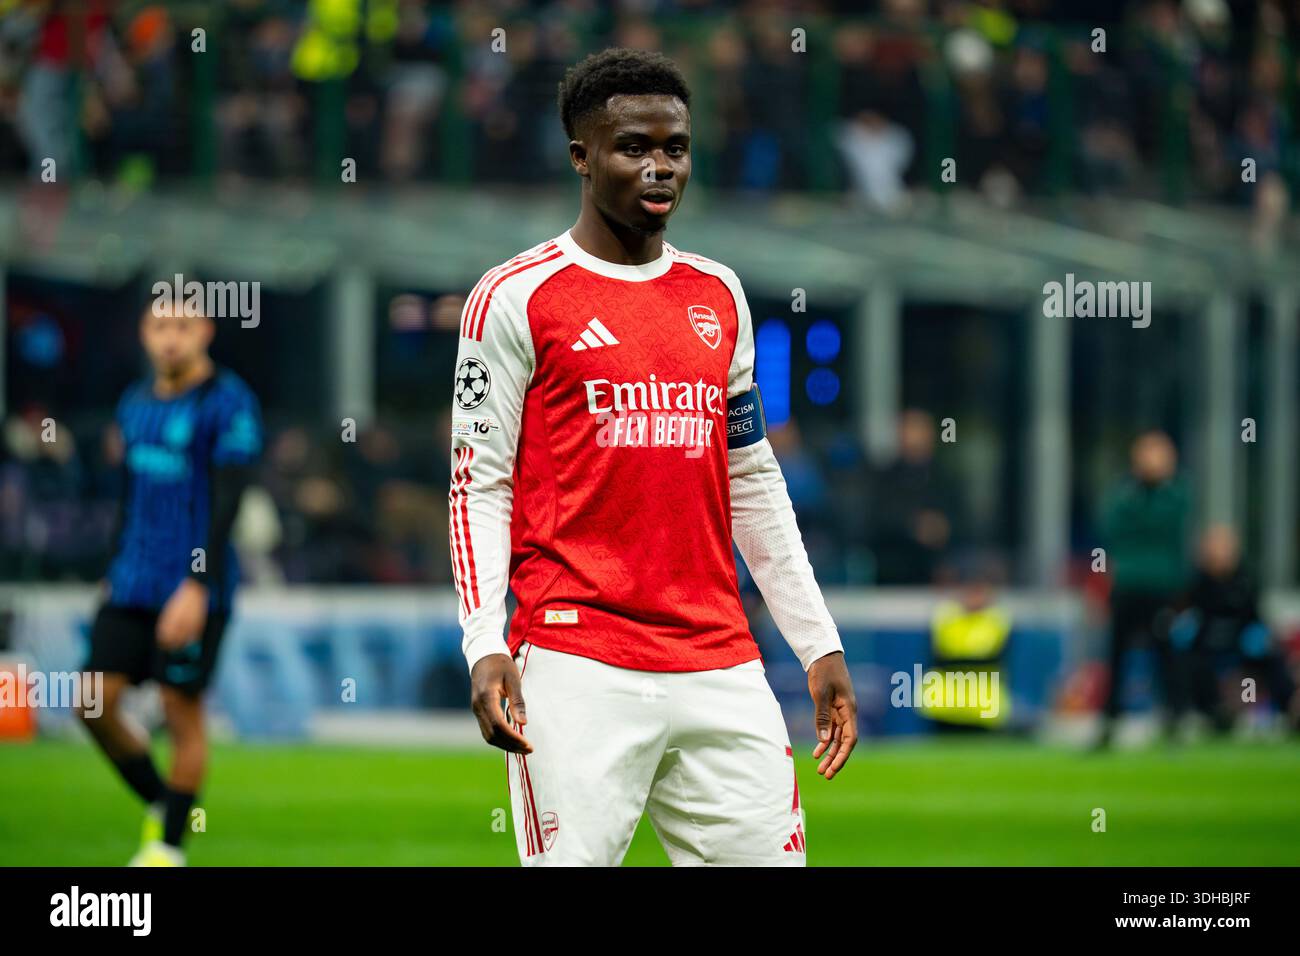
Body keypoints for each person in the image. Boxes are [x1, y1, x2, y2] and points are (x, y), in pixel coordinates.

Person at [448, 48, 855, 866]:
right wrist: (484, 639)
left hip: (721, 659)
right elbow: (476, 486)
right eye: (634, 147)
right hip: (574, 657)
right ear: (582, 157)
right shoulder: (515, 296)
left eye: (675, 147)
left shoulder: (719, 295)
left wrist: (818, 644)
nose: (660, 166)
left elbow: (751, 478)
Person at [78, 304, 262, 866]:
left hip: (194, 587)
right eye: (160, 327)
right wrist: (112, 568)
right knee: (91, 701)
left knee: (180, 712)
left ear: (205, 332)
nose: (171, 339)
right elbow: (129, 497)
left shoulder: (228, 403)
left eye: (183, 326)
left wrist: (197, 585)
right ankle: (165, 802)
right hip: (132, 580)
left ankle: (167, 849)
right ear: (144, 333)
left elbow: (229, 500)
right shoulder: (134, 405)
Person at [1097, 429, 1191, 746]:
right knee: (1117, 654)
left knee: (1167, 656)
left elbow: (1167, 526)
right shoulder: (1125, 495)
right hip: (1127, 586)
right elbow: (1114, 528)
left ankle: (1175, 719)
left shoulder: (1175, 495)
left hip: (1162, 587)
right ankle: (1110, 720)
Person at [1170, 524, 1299, 734]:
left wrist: (1259, 636)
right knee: (1183, 662)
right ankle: (1195, 714)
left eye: (1225, 548)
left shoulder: (1245, 581)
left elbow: (1256, 618)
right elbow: (1187, 617)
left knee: (1272, 657)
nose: (1221, 554)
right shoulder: (1196, 583)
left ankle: (1289, 709)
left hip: (1240, 646)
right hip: (1205, 648)